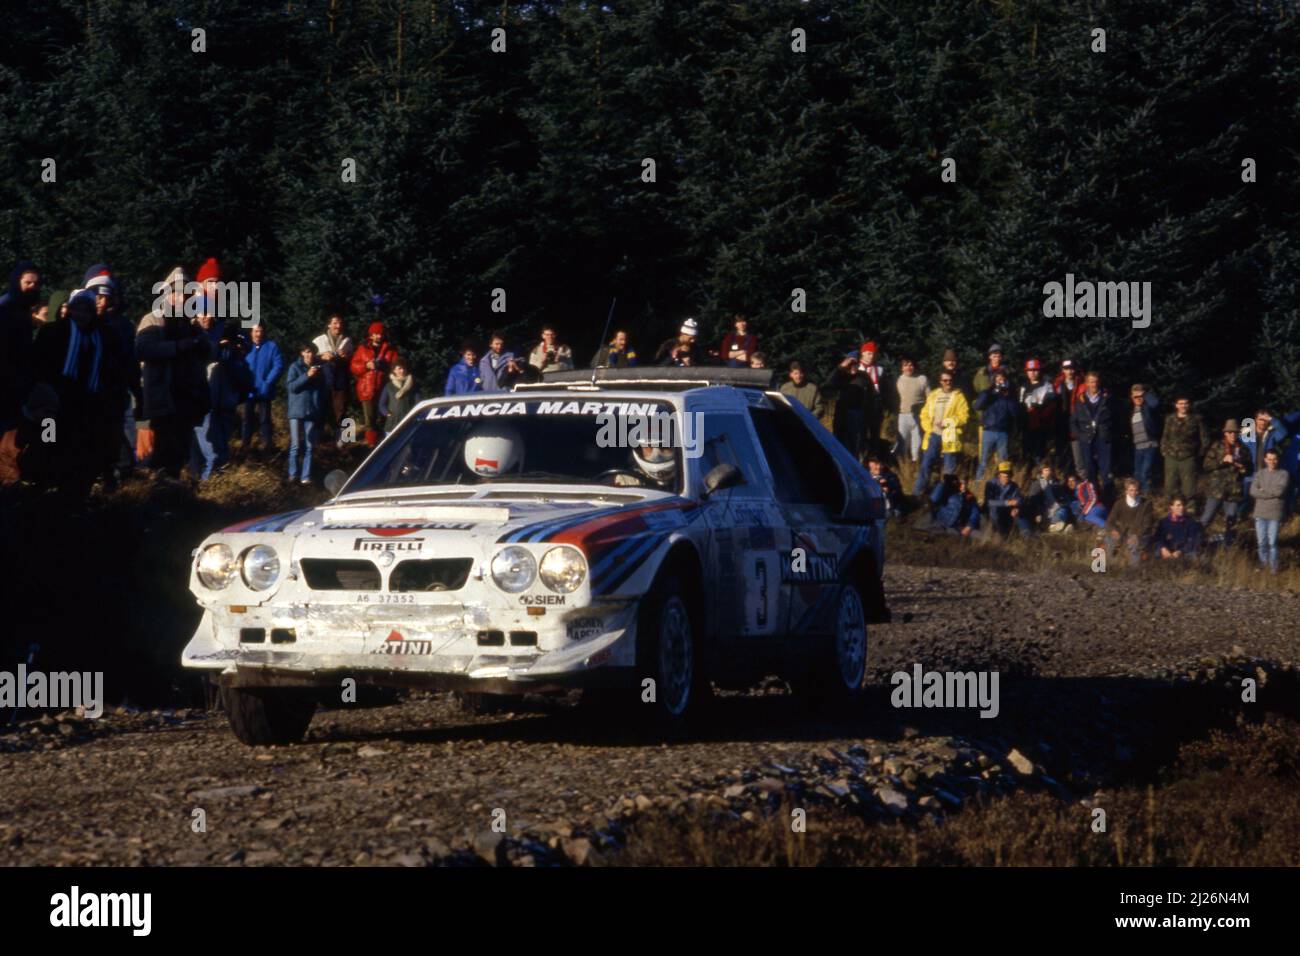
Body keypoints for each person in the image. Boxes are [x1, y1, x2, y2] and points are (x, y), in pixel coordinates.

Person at [31, 292, 126, 495]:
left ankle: (73, 496)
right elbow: (37, 365)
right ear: (70, 310)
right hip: (52, 404)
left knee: (79, 451)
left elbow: (113, 370)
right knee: (47, 443)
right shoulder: (53, 331)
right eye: (77, 309)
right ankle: (40, 489)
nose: (82, 314)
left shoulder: (102, 337)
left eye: (87, 310)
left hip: (85, 406)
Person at [134, 266, 211, 478]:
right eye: (177, 292)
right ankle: (159, 499)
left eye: (186, 293)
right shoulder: (153, 320)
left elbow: (209, 353)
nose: (182, 297)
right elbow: (141, 349)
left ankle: (174, 498)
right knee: (162, 455)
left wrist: (201, 342)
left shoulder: (192, 325)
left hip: (187, 400)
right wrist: (177, 347)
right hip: (163, 400)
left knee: (180, 454)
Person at [188, 300, 250, 480]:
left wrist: (237, 350)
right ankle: (205, 489)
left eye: (209, 313)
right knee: (210, 452)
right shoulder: (193, 337)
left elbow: (241, 373)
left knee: (221, 453)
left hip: (225, 403)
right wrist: (218, 347)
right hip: (203, 403)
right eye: (202, 313)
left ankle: (211, 488)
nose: (206, 317)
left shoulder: (222, 334)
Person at [911, 370, 970, 495]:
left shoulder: (959, 396)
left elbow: (964, 416)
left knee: (949, 468)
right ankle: (917, 493)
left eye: (950, 380)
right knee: (926, 464)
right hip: (934, 435)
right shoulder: (933, 395)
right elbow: (924, 414)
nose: (948, 383)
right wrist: (929, 428)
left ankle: (948, 495)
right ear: (940, 381)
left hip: (950, 436)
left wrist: (948, 422)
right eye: (945, 380)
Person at [0, 261, 42, 427]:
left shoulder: (23, 309)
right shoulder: (5, 308)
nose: (33, 287)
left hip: (17, 385)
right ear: (17, 282)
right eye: (28, 283)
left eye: (37, 284)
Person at [0, 383, 61, 489]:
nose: (51, 417)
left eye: (53, 413)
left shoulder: (45, 429)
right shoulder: (16, 427)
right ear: (35, 408)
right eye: (47, 411)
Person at [1201, 419, 1251, 544]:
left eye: (1235, 433)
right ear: (1225, 433)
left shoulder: (1243, 450)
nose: (1232, 435)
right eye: (1230, 432)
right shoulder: (1217, 446)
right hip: (1216, 490)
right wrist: (1222, 461)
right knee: (1207, 517)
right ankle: (1195, 541)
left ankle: (1228, 547)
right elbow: (1206, 465)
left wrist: (1243, 467)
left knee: (1231, 520)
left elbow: (1249, 468)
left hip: (1233, 491)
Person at [350, 321, 400, 446]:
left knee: (384, 418)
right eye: (376, 334)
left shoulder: (390, 349)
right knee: (369, 421)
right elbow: (353, 366)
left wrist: (386, 366)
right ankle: (371, 446)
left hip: (385, 389)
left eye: (380, 334)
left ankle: (384, 444)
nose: (378, 336)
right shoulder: (363, 349)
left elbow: (397, 367)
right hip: (367, 389)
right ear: (371, 335)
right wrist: (366, 365)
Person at [830, 345, 882, 460]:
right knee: (840, 441)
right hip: (842, 414)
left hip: (858, 413)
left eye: (856, 364)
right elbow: (830, 383)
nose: (853, 367)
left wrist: (869, 414)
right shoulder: (841, 375)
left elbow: (871, 395)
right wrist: (841, 366)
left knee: (856, 443)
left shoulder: (863, 376)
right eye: (851, 364)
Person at [285, 342, 327, 484]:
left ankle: (305, 477)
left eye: (312, 352)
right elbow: (292, 387)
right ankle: (292, 475)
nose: (309, 355)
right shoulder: (294, 367)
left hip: (311, 412)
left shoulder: (319, 370)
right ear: (302, 353)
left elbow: (322, 391)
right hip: (296, 411)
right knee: (296, 445)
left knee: (309, 446)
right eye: (307, 352)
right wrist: (307, 376)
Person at [240, 322, 284, 454]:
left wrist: (268, 382)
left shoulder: (271, 347)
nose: (258, 334)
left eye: (260, 331)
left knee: (265, 419)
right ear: (251, 333)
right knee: (247, 419)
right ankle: (245, 447)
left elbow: (278, 365)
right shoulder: (245, 347)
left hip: (265, 390)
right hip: (248, 391)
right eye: (255, 331)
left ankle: (267, 446)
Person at [312, 314, 354, 442]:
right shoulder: (319, 340)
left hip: (341, 381)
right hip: (323, 381)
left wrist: (346, 357)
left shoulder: (347, 341)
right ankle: (319, 439)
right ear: (329, 325)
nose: (338, 326)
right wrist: (321, 357)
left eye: (340, 323)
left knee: (342, 409)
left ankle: (346, 440)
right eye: (335, 323)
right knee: (321, 409)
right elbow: (309, 359)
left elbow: (354, 361)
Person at [1070, 371, 1113, 490]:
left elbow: (1115, 418)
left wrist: (1109, 432)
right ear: (1086, 384)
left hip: (1103, 438)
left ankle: (1109, 497)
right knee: (1090, 469)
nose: (1094, 384)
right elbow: (1073, 421)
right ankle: (1094, 497)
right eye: (1091, 382)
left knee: (1106, 469)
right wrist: (1080, 436)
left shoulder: (1107, 398)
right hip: (1087, 439)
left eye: (1095, 382)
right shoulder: (1080, 400)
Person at [1160, 395, 1206, 502]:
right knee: (1170, 486)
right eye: (1180, 403)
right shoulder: (1170, 419)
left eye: (1185, 403)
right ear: (1176, 405)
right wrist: (1164, 451)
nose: (1183, 406)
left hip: (1188, 458)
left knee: (1189, 488)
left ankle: (1190, 513)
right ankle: (1171, 512)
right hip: (1171, 457)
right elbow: (1165, 436)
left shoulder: (1196, 419)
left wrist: (1198, 454)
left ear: (1189, 405)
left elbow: (1204, 438)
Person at [973, 369, 1017, 481]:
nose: (1000, 381)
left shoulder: (1009, 395)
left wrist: (1007, 396)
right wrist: (990, 390)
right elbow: (977, 406)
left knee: (1003, 461)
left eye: (1002, 379)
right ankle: (979, 481)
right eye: (998, 378)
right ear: (993, 380)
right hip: (988, 431)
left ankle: (1003, 483)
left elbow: (1014, 412)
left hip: (1003, 432)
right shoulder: (987, 393)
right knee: (983, 460)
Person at [1249, 449, 1289, 573]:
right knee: (1261, 542)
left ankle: (1273, 569)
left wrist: (1262, 491)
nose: (1272, 462)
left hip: (1274, 514)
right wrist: (1268, 492)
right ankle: (1263, 564)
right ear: (1265, 460)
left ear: (1278, 460)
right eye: (1269, 459)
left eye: (1274, 459)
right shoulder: (1260, 474)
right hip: (1260, 513)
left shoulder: (1284, 474)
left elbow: (1279, 491)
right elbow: (1252, 491)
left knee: (1272, 542)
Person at [1103, 477, 1154, 566]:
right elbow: (1110, 521)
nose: (1134, 493)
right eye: (1131, 490)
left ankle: (1133, 570)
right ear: (1126, 491)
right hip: (1122, 532)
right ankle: (1111, 566)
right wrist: (1113, 530)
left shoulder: (1146, 505)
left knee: (1135, 545)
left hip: (1140, 533)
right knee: (1108, 540)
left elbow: (1147, 525)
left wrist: (1136, 535)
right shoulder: (1119, 504)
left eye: (1136, 490)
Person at [1123, 383, 1161, 494]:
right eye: (1136, 397)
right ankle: (1138, 493)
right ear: (1132, 397)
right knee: (1137, 473)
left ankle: (1146, 493)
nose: (1138, 399)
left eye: (1141, 396)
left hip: (1150, 444)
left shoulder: (1147, 408)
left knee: (1145, 472)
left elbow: (1155, 403)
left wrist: (1145, 394)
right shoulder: (1130, 410)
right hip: (1137, 446)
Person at [1019, 359, 1056, 466]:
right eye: (1030, 370)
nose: (1033, 373)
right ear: (1026, 372)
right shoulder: (1023, 387)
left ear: (1039, 371)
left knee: (1040, 454)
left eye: (1035, 370)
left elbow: (1051, 406)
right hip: (1026, 426)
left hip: (1041, 426)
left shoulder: (1047, 386)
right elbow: (1021, 405)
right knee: (1027, 453)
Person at [1053, 359, 1085, 472]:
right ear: (1063, 370)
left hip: (1076, 423)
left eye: (1071, 369)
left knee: (1078, 456)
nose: (1069, 371)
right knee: (1062, 453)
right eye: (1066, 369)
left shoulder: (1081, 383)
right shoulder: (1057, 384)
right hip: (1061, 423)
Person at [894, 356, 928, 463]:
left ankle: (915, 467)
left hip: (919, 416)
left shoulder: (922, 379)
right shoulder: (898, 380)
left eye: (911, 365)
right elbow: (893, 398)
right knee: (902, 444)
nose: (909, 367)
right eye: (906, 365)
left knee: (917, 446)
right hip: (903, 415)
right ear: (902, 368)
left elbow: (930, 398)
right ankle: (902, 467)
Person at [984, 461, 1031, 538]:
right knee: (994, 509)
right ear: (999, 475)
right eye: (1004, 475)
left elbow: (1019, 499)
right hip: (994, 512)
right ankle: (1001, 534)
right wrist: (1006, 503)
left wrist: (1016, 508)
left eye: (1008, 475)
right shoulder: (990, 484)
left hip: (1008, 511)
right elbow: (989, 502)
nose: (1006, 477)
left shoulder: (1014, 485)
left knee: (1021, 511)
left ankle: (1027, 535)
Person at [1026, 461, 1070, 532]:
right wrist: (1037, 513)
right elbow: (1034, 500)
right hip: (1044, 510)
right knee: (1060, 513)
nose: (1048, 472)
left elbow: (1060, 496)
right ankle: (1056, 526)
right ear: (1041, 472)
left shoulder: (1054, 482)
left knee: (1064, 510)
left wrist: (1062, 502)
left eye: (1049, 470)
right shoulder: (1037, 483)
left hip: (1056, 506)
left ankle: (1057, 527)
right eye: (1046, 470)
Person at [381, 359, 421, 433]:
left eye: (403, 368)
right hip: (392, 423)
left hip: (408, 422)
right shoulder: (388, 386)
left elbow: (418, 403)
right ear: (394, 370)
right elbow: (382, 404)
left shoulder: (413, 385)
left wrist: (413, 415)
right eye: (399, 368)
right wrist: (387, 413)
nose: (402, 371)